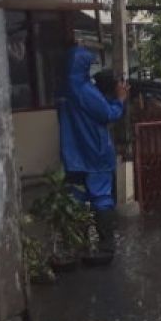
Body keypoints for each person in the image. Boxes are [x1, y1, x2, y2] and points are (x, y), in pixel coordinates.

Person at [58, 44, 128, 266]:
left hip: (74, 154)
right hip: (95, 152)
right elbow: (109, 114)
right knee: (102, 197)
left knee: (76, 197)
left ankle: (79, 244)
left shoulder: (63, 90)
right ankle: (106, 248)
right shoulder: (85, 90)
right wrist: (120, 99)